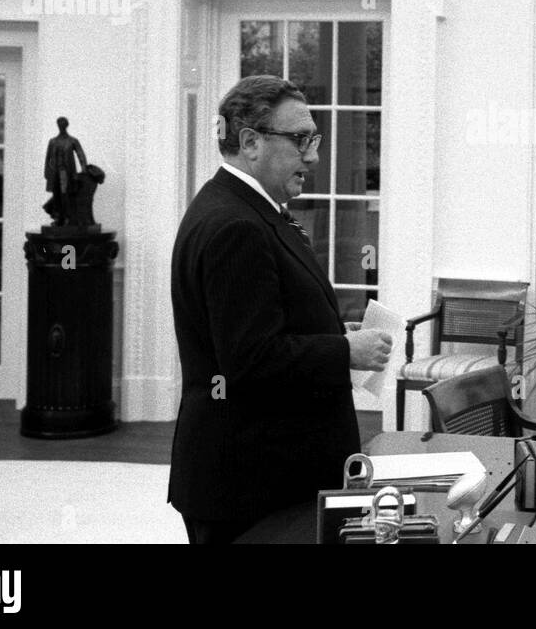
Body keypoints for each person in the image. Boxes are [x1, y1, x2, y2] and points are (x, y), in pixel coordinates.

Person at [168, 75, 392, 544]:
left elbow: (263, 322)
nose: (312, 155)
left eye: (314, 139)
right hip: (251, 487)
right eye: (300, 140)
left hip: (262, 478)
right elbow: (250, 361)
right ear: (250, 142)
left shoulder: (245, 208)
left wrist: (331, 330)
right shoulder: (236, 225)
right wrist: (343, 351)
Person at [42, 116, 87, 226]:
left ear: (66, 125)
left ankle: (68, 217)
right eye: (59, 124)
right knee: (56, 195)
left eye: (63, 124)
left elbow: (80, 154)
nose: (61, 126)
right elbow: (48, 158)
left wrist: (83, 168)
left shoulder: (72, 141)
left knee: (65, 194)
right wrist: (47, 172)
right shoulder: (53, 141)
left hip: (66, 172)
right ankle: (58, 217)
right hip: (55, 172)